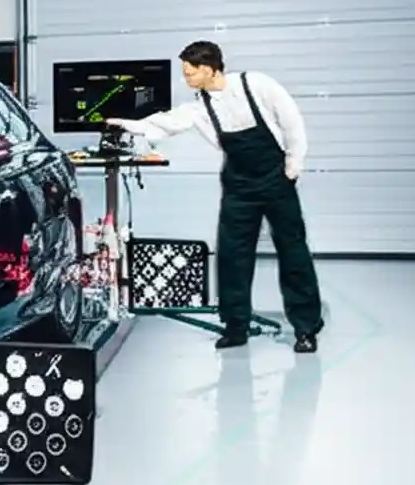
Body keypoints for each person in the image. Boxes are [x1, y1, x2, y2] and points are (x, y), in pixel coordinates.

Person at [106, 41, 324, 353]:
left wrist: (293, 165)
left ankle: (306, 328)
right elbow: (167, 122)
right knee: (232, 255)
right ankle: (236, 326)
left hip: (277, 179)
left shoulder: (256, 85)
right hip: (239, 185)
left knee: (293, 252)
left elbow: (292, 122)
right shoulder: (200, 107)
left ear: (209, 69)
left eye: (190, 73)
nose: (187, 79)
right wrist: (127, 125)